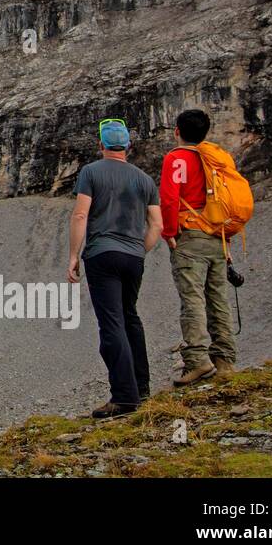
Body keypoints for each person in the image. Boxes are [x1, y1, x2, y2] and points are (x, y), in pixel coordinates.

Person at [67, 119, 163, 417]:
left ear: (101, 145)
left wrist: (73, 255)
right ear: (128, 147)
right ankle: (142, 388)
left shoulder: (91, 172)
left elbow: (81, 215)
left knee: (112, 323)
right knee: (130, 317)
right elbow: (157, 224)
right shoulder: (145, 179)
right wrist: (139, 250)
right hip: (134, 256)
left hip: (102, 254)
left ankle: (124, 397)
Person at [159, 108, 237, 384]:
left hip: (189, 236)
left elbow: (169, 198)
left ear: (177, 131)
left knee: (192, 297)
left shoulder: (176, 159)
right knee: (218, 297)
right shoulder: (215, 160)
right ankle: (225, 359)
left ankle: (198, 360)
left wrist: (168, 231)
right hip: (218, 235)